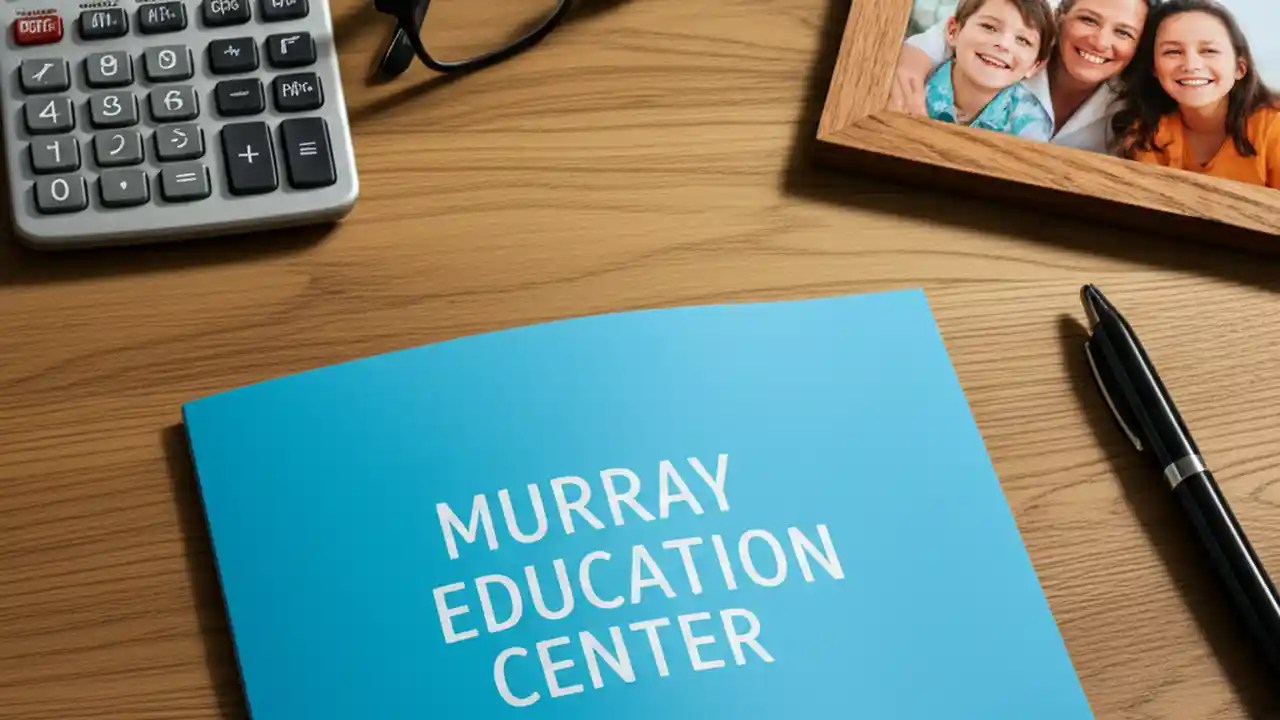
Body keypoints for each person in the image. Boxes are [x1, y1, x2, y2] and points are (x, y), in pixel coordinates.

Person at [892, 0, 1156, 152]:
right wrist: (907, 68)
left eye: (1124, 33)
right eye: (1088, 20)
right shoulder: (1022, 42)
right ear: (1060, 18)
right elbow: (954, 34)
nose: (1099, 41)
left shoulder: (1135, 103)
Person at [1113, 0, 1280, 189]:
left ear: (1240, 68)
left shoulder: (1273, 130)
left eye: (1209, 51)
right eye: (1173, 51)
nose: (1191, 65)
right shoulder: (1147, 132)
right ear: (1154, 68)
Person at [921, 0, 1057, 140]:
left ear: (1034, 66)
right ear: (953, 31)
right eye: (989, 27)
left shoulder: (1031, 124)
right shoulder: (911, 85)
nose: (1003, 44)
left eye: (1023, 40)